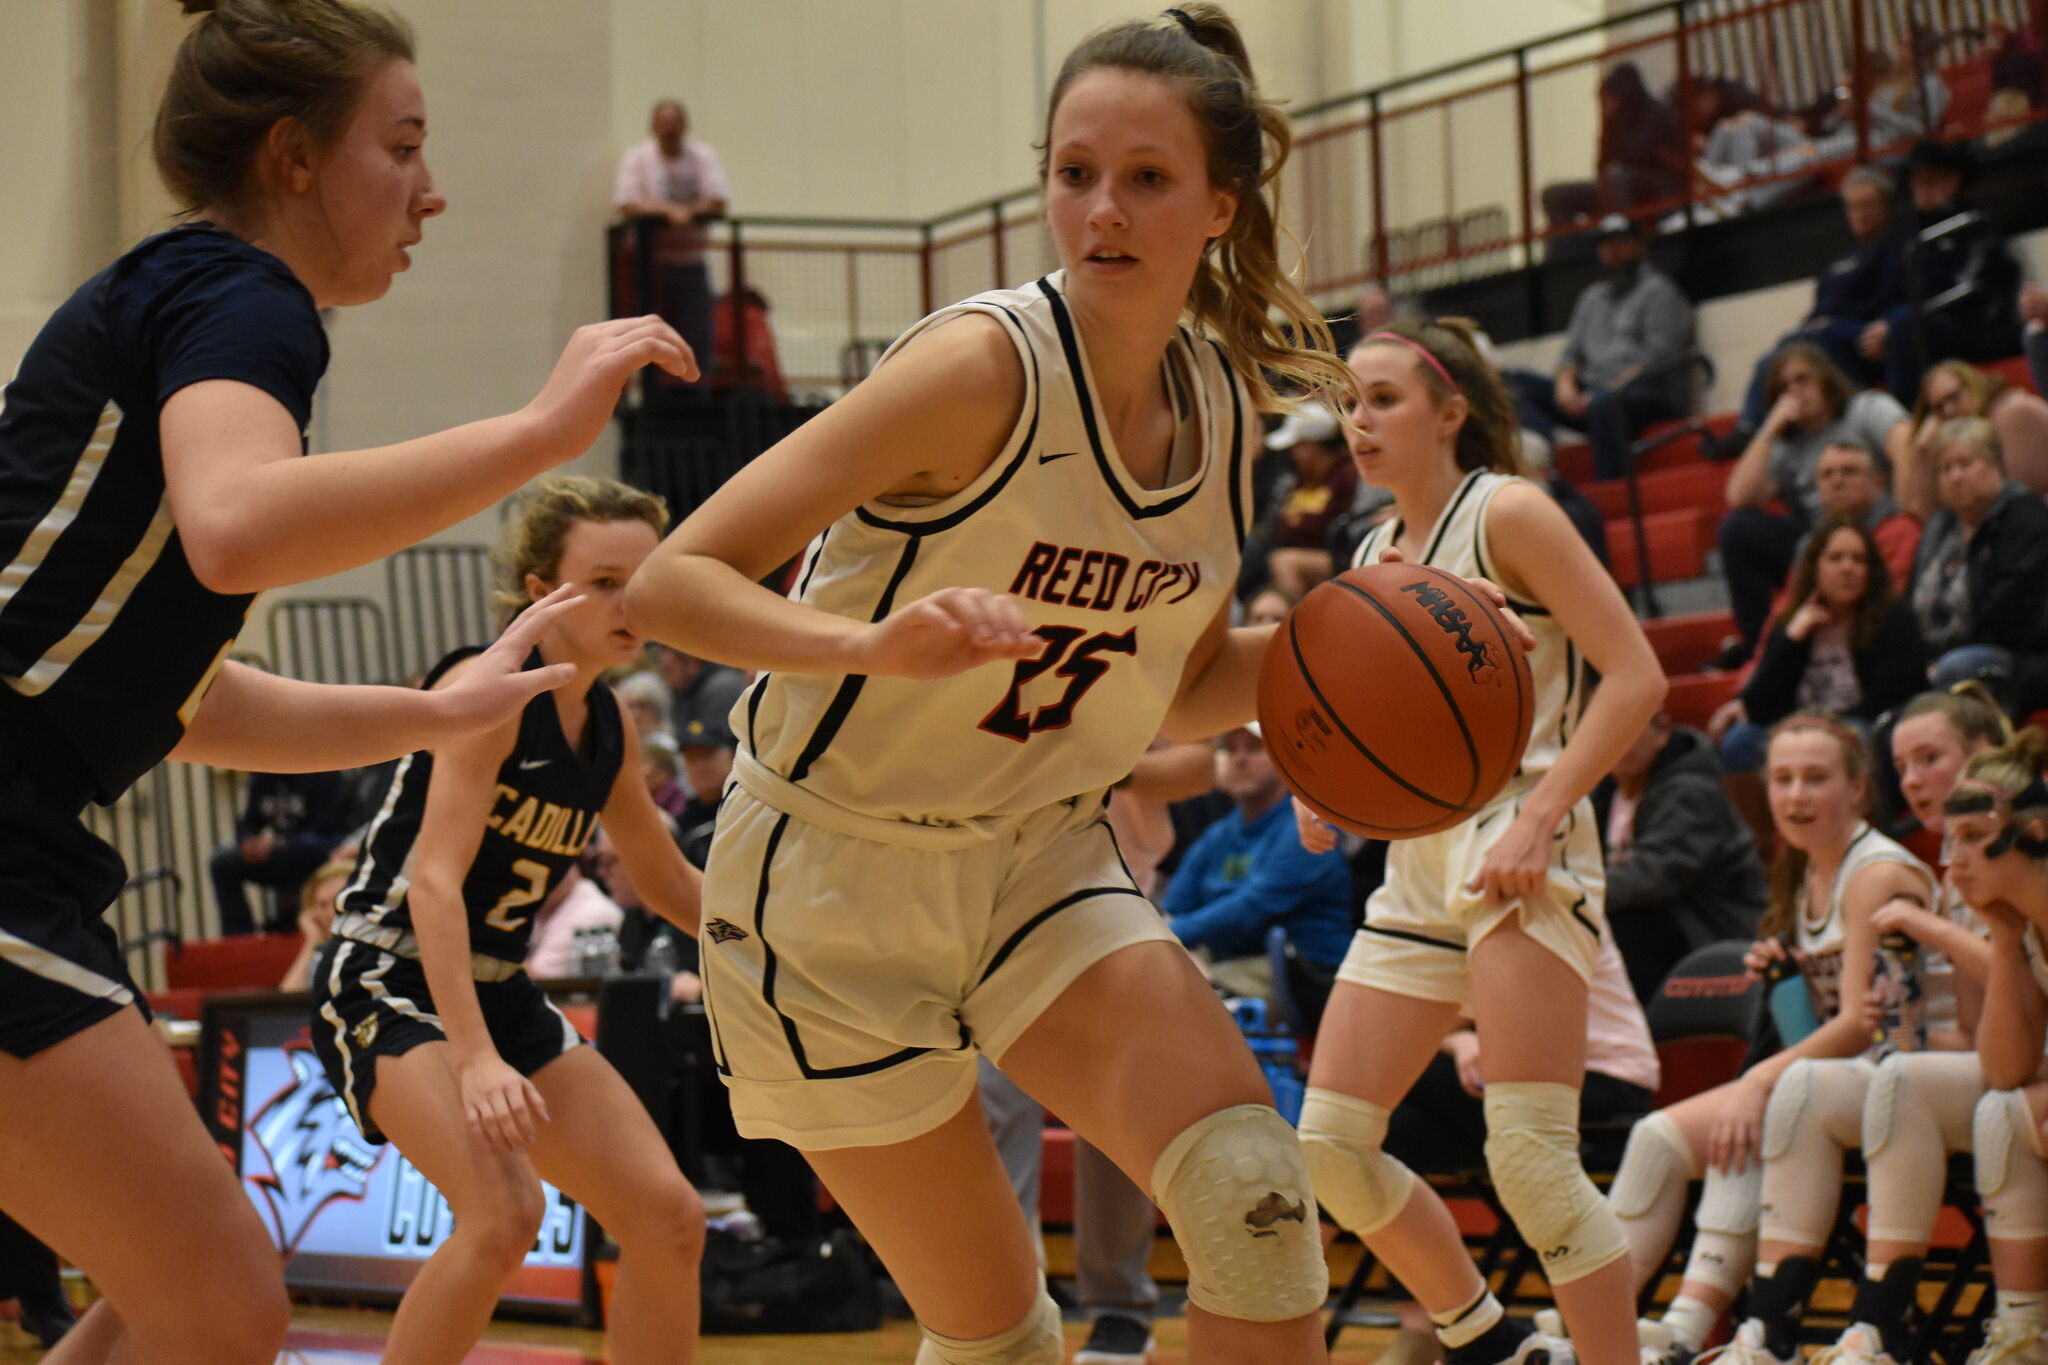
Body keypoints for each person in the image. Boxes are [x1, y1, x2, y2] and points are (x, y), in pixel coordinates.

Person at [624, 8, 1439, 1361]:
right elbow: (671, 582)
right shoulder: (978, 368)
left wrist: (1340, 685)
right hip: (834, 883)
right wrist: (864, 646)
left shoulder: (1224, 402)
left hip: (1040, 859)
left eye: (1146, 177)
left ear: (1220, 206)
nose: (1100, 210)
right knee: (1003, 1335)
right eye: (1073, 173)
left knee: (1254, 1199)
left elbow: (1172, 690)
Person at [0, 3, 692, 1360]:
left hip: (36, 833)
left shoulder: (190, 301)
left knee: (178, 1290)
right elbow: (241, 523)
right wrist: (540, 429)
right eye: (404, 146)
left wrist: (432, 713)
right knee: (219, 1296)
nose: (432, 190)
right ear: (294, 159)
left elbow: (192, 702)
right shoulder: (242, 295)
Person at [1295, 316, 1668, 1365]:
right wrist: (1325, 793)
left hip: (1523, 841)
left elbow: (1636, 677)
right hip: (1418, 858)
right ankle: (1491, 1342)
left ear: (1449, 411)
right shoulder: (1370, 551)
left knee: (1533, 1162)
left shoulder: (1508, 512)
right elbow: (1388, 738)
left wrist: (1545, 815)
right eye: (1348, 405)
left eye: (1380, 399)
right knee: (1326, 1147)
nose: (1358, 423)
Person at [310, 476, 707, 1364]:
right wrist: (476, 1056)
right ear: (541, 591)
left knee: (671, 1218)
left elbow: (670, 882)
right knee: (503, 1216)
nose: (628, 601)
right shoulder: (486, 687)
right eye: (604, 580)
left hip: (494, 983)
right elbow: (434, 884)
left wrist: (785, 942)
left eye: (643, 579)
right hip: (387, 971)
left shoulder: (610, 724)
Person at [1605, 718, 1934, 1365]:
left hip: (1914, 1076)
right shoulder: (1799, 871)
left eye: (1816, 778)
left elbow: (1864, 1027)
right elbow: (1818, 1034)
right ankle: (1637, 1323)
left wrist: (1756, 1079)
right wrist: (1785, 984)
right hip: (1835, 1079)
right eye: (1782, 779)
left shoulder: (1875, 873)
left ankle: (1730, 1329)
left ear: (1859, 786)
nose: (1796, 795)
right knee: (1659, 1138)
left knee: (1767, 1098)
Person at [1711, 686, 2007, 1365]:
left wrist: (1895, 1027)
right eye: (1905, 764)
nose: (1914, 779)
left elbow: (2003, 1006)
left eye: (1930, 758)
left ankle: (1881, 1327)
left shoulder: (1916, 868)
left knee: (1884, 1075)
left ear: (1984, 755)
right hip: (1960, 1065)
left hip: (1992, 1076)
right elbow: (1968, 1025)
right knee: (1802, 1087)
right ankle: (1765, 1329)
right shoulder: (1947, 862)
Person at [1378, 923, 1660, 1365]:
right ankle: (1422, 1328)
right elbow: (1434, 1019)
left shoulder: (1538, 891)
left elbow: (1448, 1016)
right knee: (1395, 1129)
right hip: (1508, 1074)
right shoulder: (1453, 900)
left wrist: (1457, 1035)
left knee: (1381, 1080)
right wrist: (1460, 1039)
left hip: (1603, 1084)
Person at [1941, 728, 2048, 1365]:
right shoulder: (2028, 922)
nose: (1955, 863)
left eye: (1976, 842)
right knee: (2002, 1112)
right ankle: (2024, 1337)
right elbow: (2005, 1069)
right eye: (1951, 842)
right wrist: (2004, 941)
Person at [1717, 345, 1912, 664]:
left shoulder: (1864, 408)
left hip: (1879, 527)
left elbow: (1907, 448)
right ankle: (1758, 648)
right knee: (1737, 528)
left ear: (1826, 378)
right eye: (1784, 387)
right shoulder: (1786, 440)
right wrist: (1771, 426)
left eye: (1802, 380)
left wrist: (1907, 513)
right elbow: (1739, 496)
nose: (1794, 392)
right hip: (1816, 541)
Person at [1711, 515, 1928, 773]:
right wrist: (1792, 640)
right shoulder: (1791, 623)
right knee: (1741, 740)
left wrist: (1826, 732)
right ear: (1815, 568)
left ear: (1871, 570)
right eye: (1835, 558)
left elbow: (1889, 700)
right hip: (1798, 733)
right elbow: (1757, 706)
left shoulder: (1893, 619)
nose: (1848, 568)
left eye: (1858, 559)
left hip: (1862, 728)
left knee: (1857, 735)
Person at [1714, 169, 1905, 451]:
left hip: (1865, 335)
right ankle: (1749, 427)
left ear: (1886, 206)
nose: (1859, 213)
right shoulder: (1840, 259)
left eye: (1867, 204)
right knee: (1777, 356)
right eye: (1852, 206)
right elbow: (1819, 309)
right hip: (1824, 335)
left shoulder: (1897, 248)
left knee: (1809, 340)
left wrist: (1886, 326)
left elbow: (1899, 301)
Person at [1162, 725, 1351, 1003]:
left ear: (1285, 760)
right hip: (1232, 966)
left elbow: (1252, 907)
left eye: (1254, 748)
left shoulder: (1308, 830)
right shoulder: (1219, 834)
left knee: (1171, 987)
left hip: (1310, 974)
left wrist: (1163, 939)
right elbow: (1176, 905)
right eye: (1229, 748)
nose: (1239, 759)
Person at [1597, 709, 1768, 1003]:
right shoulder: (1602, 794)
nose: (1616, 740)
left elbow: (1651, 877)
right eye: (1601, 730)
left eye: (1626, 725)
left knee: (1621, 924)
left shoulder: (1692, 790)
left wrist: (1572, 891)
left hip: (1716, 933)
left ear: (1662, 729)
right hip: (1667, 932)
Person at [1513, 215, 1695, 482]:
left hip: (1646, 395)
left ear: (1640, 247)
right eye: (1607, 244)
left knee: (1605, 403)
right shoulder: (1591, 298)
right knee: (1516, 385)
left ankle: (1612, 489)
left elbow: (1660, 357)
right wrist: (1566, 386)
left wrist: (1606, 392)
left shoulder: (1660, 292)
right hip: (1594, 397)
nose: (1613, 251)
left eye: (1621, 242)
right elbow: (1570, 354)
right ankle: (1541, 471)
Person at [1864, 140, 2022, 408]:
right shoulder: (1904, 238)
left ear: (1953, 180)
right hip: (1916, 326)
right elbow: (1889, 293)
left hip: (1971, 327)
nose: (1923, 189)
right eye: (1917, 182)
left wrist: (1902, 320)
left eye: (1931, 179)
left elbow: (1975, 292)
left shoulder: (1974, 224)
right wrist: (1882, 326)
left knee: (1906, 327)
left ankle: (1907, 419)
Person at [1906, 418, 2048, 714]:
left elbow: (2012, 613)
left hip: (2021, 657)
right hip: (1939, 659)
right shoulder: (1940, 526)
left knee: (1957, 668)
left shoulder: (2026, 518)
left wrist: (1940, 660)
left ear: (1995, 464)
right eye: (1945, 469)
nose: (1956, 476)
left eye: (1965, 464)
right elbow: (1911, 603)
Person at [613, 98, 731, 380]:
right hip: (649, 266)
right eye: (664, 123)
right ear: (653, 127)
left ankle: (696, 392)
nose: (670, 130)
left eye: (675, 123)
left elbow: (717, 201)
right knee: (647, 333)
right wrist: (668, 211)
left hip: (691, 262)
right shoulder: (639, 159)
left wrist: (688, 212)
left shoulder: (702, 156)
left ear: (685, 126)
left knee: (697, 334)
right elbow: (625, 204)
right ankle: (652, 388)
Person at [1540, 64, 1686, 230]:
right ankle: (1568, 247)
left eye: (1609, 99)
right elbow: (1602, 162)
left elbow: (1640, 154)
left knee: (1616, 175)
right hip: (1613, 188)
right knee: (1554, 195)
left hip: (1655, 189)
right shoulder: (1612, 122)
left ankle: (1620, 235)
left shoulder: (1659, 114)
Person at [209, 766, 353, 934]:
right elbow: (248, 822)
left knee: (306, 853)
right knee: (222, 862)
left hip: (319, 852)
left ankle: (297, 921)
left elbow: (326, 828)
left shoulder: (324, 772)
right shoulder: (262, 775)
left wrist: (281, 843)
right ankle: (239, 936)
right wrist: (249, 841)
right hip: (278, 853)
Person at [1901, 359, 2048, 514]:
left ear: (1973, 385)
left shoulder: (2013, 414)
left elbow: (2019, 499)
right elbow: (1927, 514)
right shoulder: (1959, 440)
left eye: (1954, 397)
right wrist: (1922, 450)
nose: (1949, 410)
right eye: (1939, 408)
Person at [1809, 439, 1921, 591]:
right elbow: (1790, 601)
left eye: (1849, 471)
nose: (1837, 481)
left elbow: (1889, 599)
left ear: (1878, 483)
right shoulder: (1810, 541)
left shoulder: (1901, 531)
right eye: (1827, 474)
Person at [278, 852, 355, 992]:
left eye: (339, 901)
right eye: (323, 905)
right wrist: (313, 940)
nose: (332, 913)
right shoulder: (319, 955)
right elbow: (288, 1003)